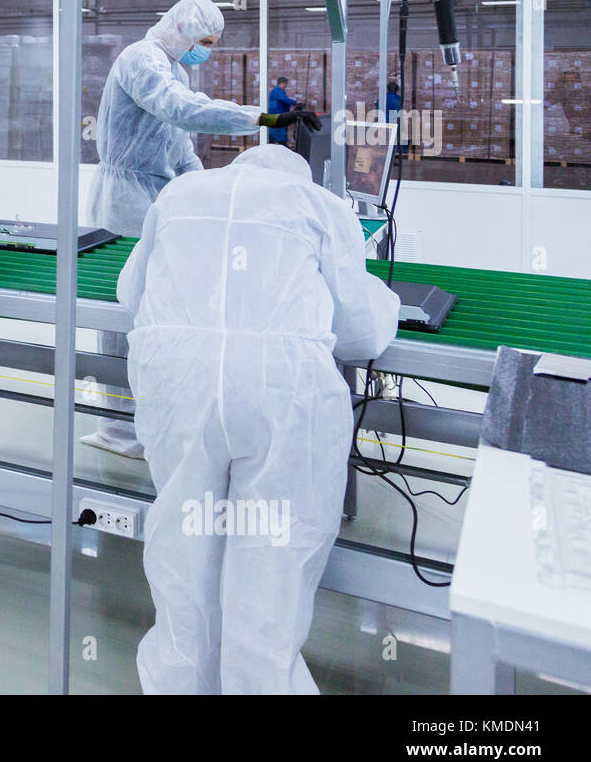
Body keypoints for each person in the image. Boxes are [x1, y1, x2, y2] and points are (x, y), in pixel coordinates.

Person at [117, 143, 400, 694]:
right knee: (274, 554)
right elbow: (361, 330)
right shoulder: (317, 203)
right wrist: (388, 303)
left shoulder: (179, 193)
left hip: (178, 381)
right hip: (280, 391)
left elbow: (132, 292)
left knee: (182, 545)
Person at [82, 0, 319, 460]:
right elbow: (180, 110)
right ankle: (117, 427)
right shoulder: (140, 61)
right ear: (181, 30)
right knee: (123, 307)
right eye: (203, 41)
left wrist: (216, 190)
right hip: (123, 197)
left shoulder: (177, 70)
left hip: (157, 192)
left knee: (158, 302)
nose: (204, 51)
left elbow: (179, 145)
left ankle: (152, 414)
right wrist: (264, 117)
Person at [267, 77, 298, 145]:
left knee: (276, 133)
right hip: (276, 116)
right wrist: (296, 102)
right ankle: (282, 145)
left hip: (278, 115)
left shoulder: (280, 91)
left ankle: (280, 144)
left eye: (286, 84)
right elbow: (284, 100)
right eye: (284, 84)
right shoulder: (277, 90)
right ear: (280, 83)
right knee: (278, 134)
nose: (285, 86)